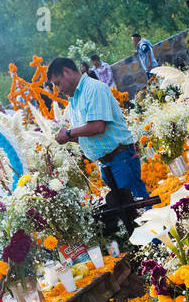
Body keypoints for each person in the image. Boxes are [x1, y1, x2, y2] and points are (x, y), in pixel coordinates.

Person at [48, 56, 150, 202]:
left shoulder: (93, 88)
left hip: (120, 159)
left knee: (139, 210)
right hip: (106, 164)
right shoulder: (73, 102)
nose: (59, 90)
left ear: (67, 71)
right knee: (129, 214)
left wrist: (69, 132)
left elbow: (98, 126)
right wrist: (69, 138)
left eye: (58, 83)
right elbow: (87, 134)